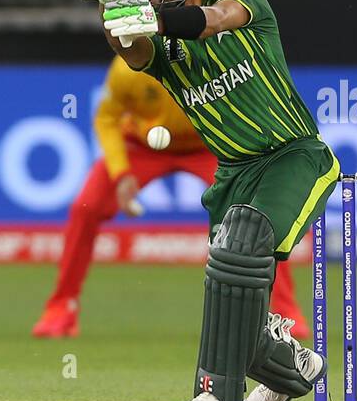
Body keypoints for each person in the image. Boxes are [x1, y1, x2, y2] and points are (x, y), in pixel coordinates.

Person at [80, 0, 338, 401]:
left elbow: (216, 19)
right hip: (233, 173)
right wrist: (106, 3)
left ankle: (218, 393)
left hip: (293, 156)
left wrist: (148, 19)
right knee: (230, 280)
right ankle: (291, 367)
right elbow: (132, 50)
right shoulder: (167, 51)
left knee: (243, 240)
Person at [32, 55, 311, 340]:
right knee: (85, 208)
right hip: (140, 147)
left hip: (210, 145)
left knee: (259, 212)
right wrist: (120, 173)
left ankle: (284, 311)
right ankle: (61, 308)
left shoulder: (211, 58)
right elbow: (107, 117)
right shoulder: (128, 67)